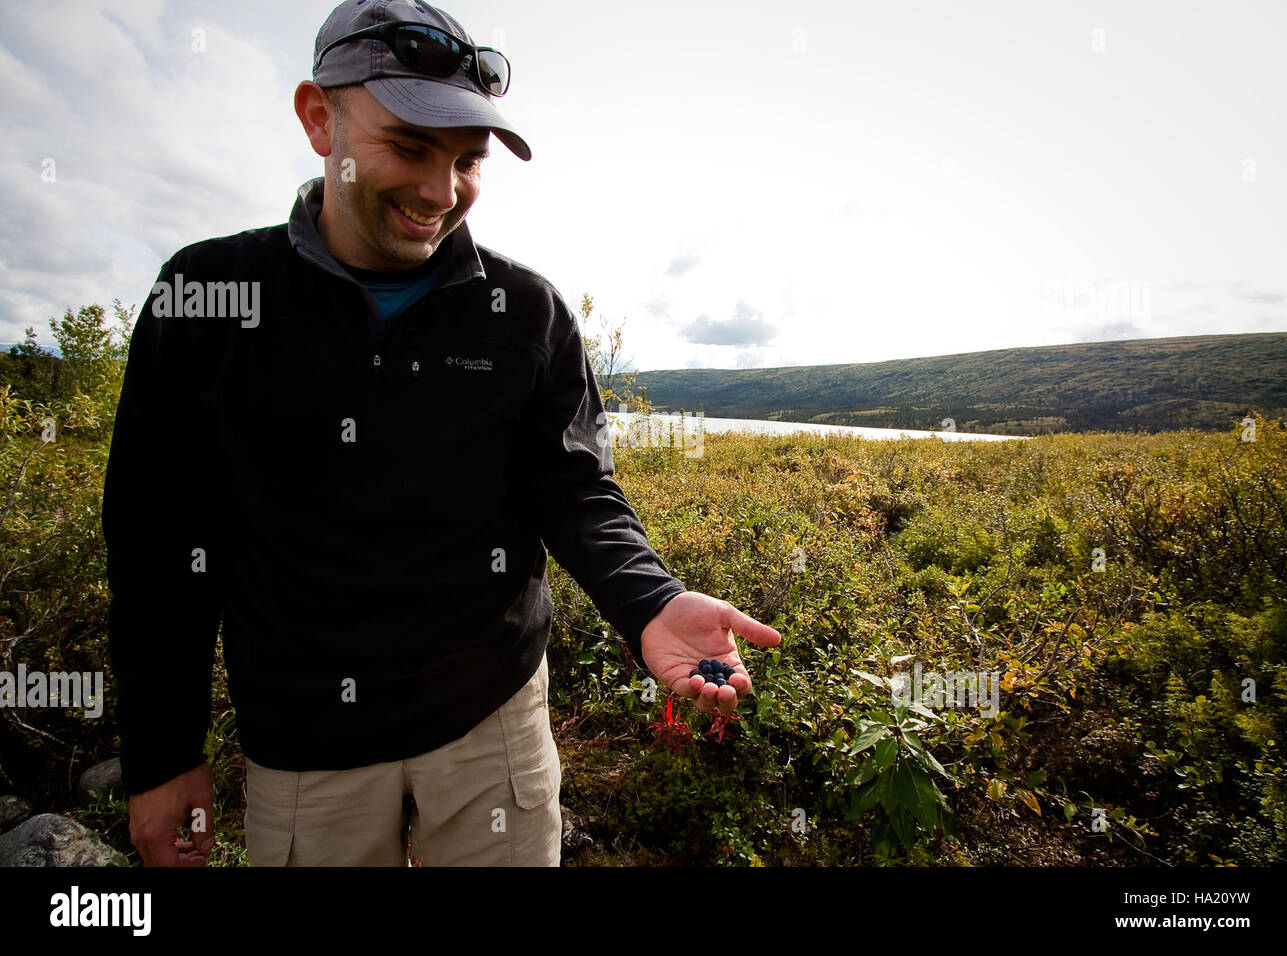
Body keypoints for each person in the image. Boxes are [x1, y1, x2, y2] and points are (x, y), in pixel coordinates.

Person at [102, 0, 781, 868]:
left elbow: (573, 487)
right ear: (320, 118)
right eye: (409, 147)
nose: (440, 191)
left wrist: (647, 599)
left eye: (468, 160)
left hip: (491, 721)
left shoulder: (525, 311)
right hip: (308, 740)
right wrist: (163, 755)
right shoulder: (206, 296)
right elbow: (161, 542)